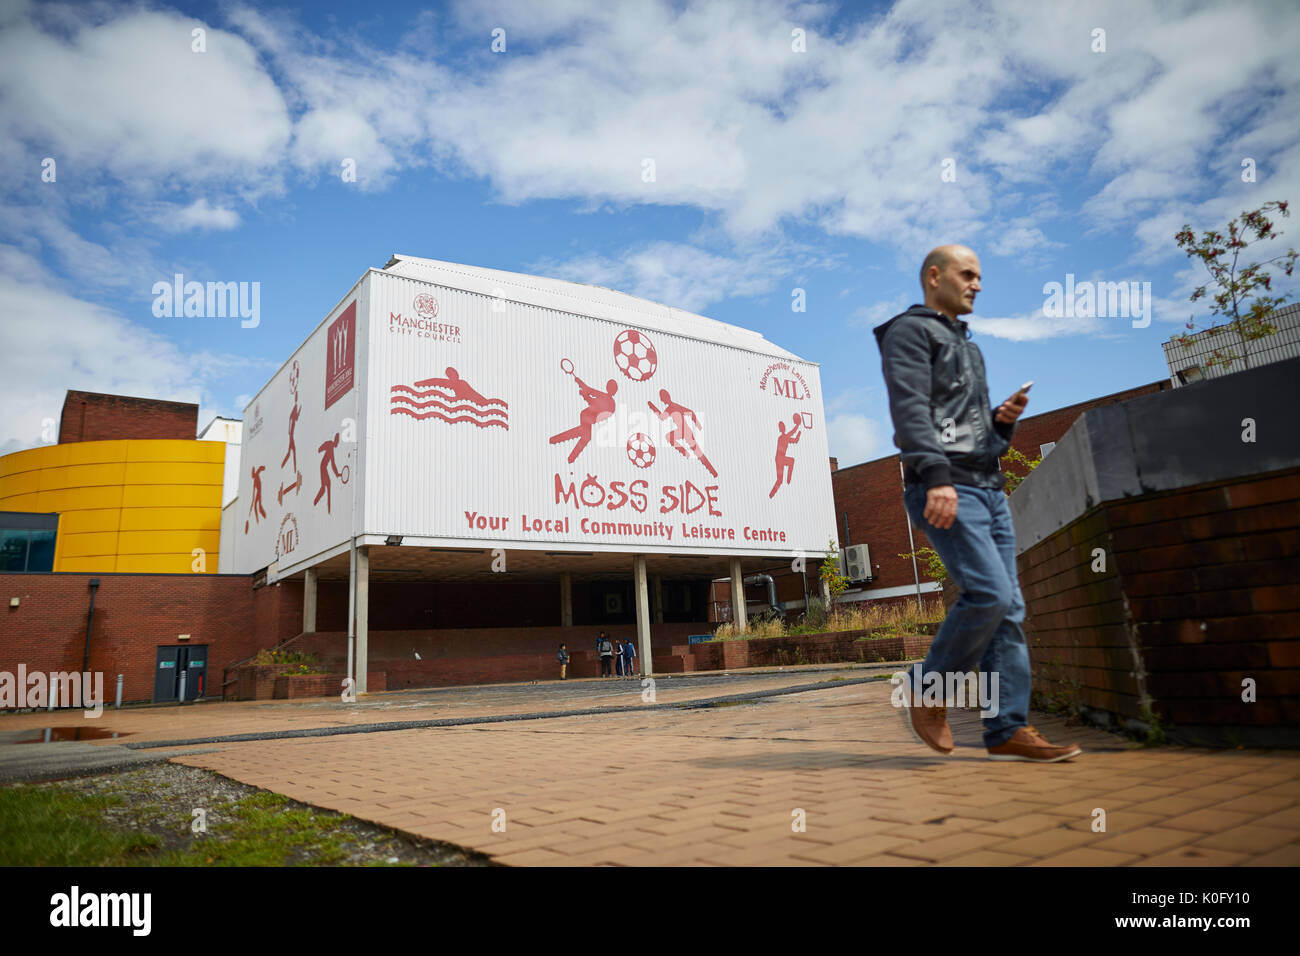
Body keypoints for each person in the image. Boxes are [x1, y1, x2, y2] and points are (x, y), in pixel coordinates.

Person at [873, 244, 1082, 763]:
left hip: (988, 489)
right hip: (945, 487)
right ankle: (927, 688)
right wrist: (937, 476)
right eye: (968, 274)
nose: (978, 284)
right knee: (987, 593)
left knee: (1009, 609)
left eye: (980, 276)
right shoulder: (910, 332)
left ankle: (1007, 727)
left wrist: (1002, 422)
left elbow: (980, 442)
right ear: (933, 276)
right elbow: (910, 410)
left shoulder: (970, 349)